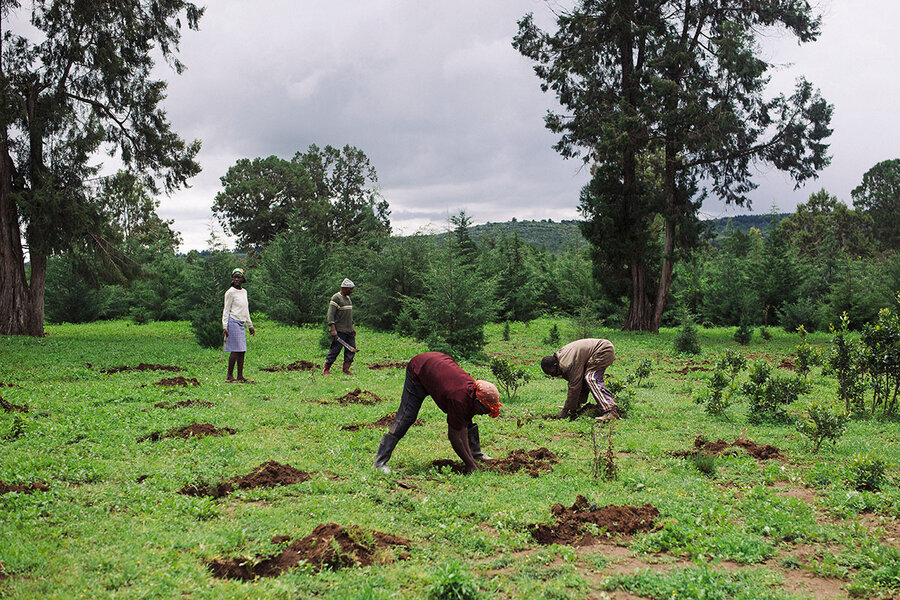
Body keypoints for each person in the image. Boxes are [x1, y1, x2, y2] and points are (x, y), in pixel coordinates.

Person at [374, 352, 502, 475]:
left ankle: (476, 453)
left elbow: (462, 423)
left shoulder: (472, 392)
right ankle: (380, 463)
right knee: (407, 416)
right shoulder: (459, 399)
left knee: (466, 414)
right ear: (477, 400)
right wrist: (470, 464)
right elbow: (455, 436)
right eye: (484, 410)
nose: (482, 414)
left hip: (437, 365)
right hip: (419, 369)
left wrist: (471, 460)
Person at [540, 338, 618, 420]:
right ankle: (576, 405)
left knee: (591, 378)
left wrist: (565, 410)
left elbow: (574, 386)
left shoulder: (567, 364)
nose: (553, 376)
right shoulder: (561, 357)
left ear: (555, 365)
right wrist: (571, 406)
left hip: (603, 349)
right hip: (598, 350)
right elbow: (579, 381)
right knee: (584, 378)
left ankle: (611, 410)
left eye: (552, 372)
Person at [222, 267, 255, 382]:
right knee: (236, 350)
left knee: (242, 350)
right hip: (233, 321)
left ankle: (240, 376)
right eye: (235, 277)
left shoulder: (244, 292)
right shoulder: (230, 292)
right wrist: (225, 326)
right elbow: (226, 310)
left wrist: (249, 326)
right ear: (233, 279)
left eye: (239, 277)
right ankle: (229, 376)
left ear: (242, 279)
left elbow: (246, 310)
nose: (236, 279)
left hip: (241, 323)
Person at [323, 278, 357, 376]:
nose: (352, 291)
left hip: (349, 330)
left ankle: (346, 369)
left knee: (351, 349)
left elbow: (348, 315)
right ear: (344, 288)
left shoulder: (348, 298)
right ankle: (326, 369)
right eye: (350, 289)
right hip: (339, 330)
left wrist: (352, 327)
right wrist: (332, 328)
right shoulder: (336, 298)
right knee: (335, 350)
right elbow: (330, 314)